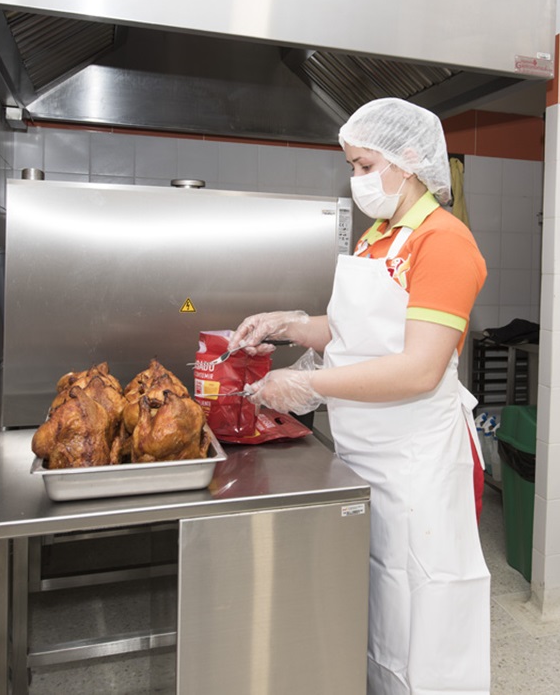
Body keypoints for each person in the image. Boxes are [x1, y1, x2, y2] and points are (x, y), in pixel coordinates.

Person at [231, 97, 490, 695]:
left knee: (425, 608)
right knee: (380, 601)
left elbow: (421, 368)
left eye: (363, 165)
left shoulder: (443, 242)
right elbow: (353, 329)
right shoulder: (380, 236)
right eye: (351, 166)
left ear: (408, 161)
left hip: (418, 461)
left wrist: (306, 383)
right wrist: (290, 324)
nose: (356, 180)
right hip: (364, 452)